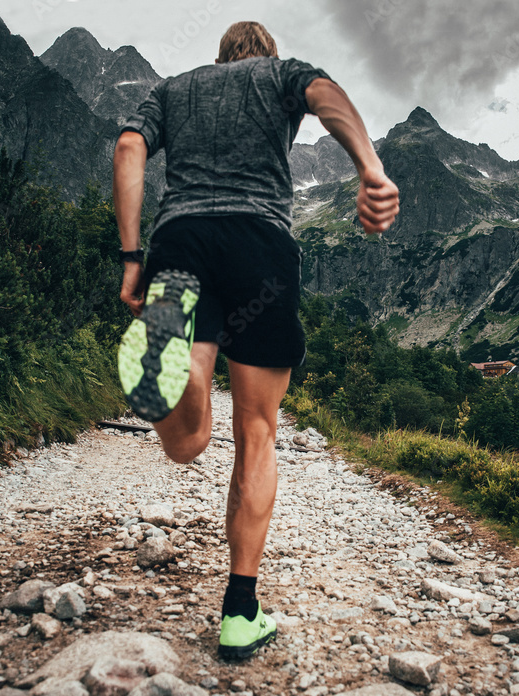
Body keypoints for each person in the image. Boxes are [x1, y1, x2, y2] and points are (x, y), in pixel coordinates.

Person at [113, 21, 399, 660]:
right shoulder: (280, 74)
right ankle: (240, 612)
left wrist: (133, 255)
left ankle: (184, 363)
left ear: (219, 57)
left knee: (187, 445)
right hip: (260, 247)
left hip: (180, 242)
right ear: (265, 56)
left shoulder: (173, 89)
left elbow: (129, 148)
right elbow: (326, 94)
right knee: (258, 433)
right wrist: (371, 170)